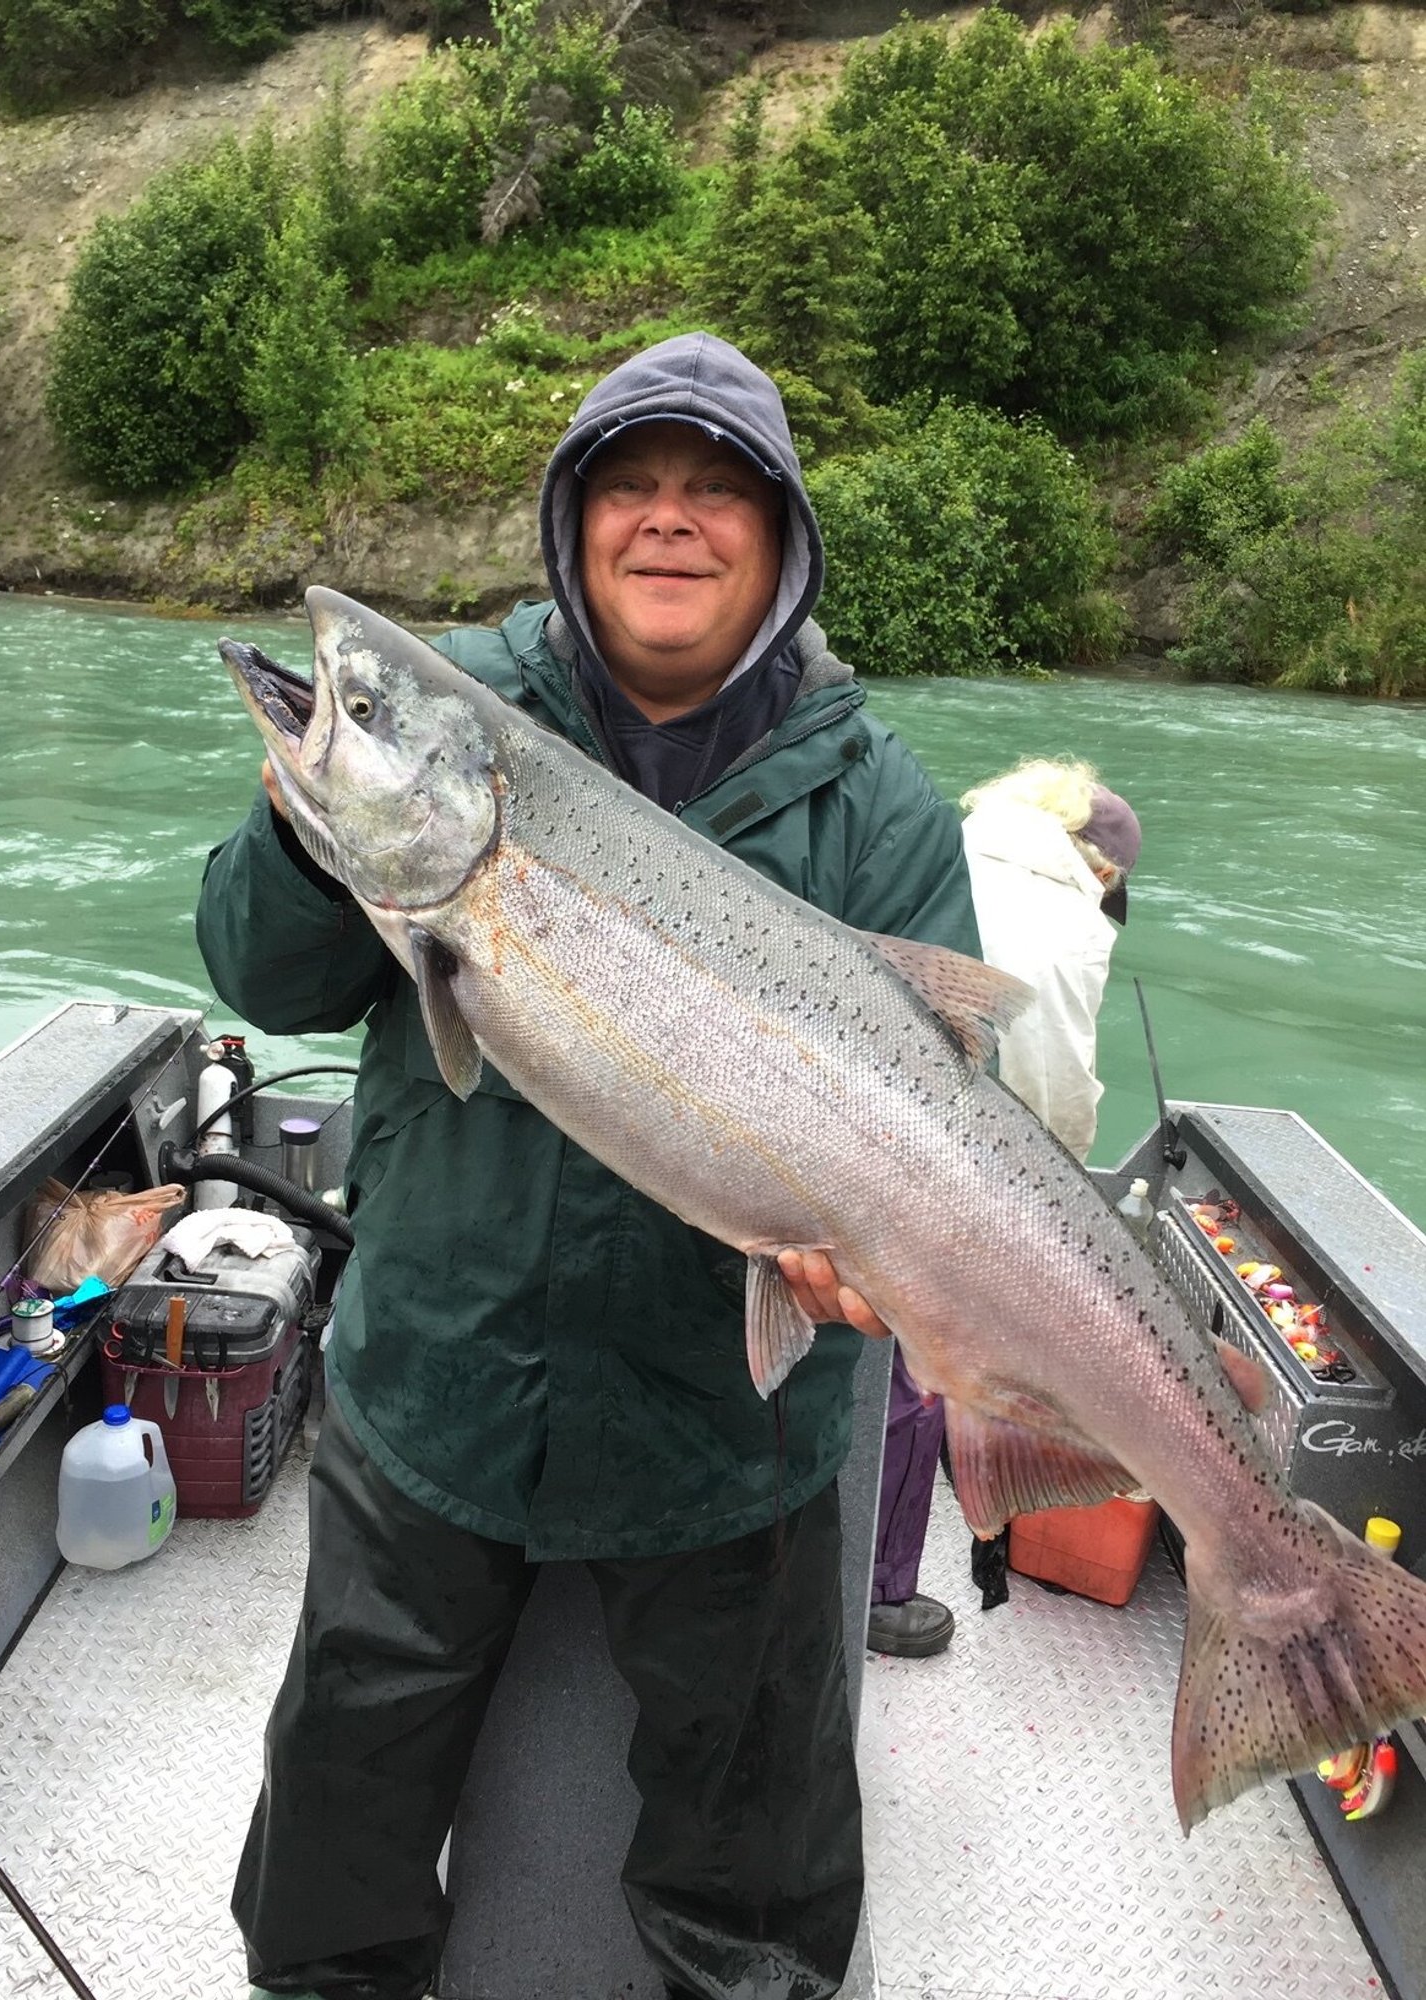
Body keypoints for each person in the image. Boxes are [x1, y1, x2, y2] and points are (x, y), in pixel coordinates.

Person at [196, 331, 980, 2000]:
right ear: (572, 523)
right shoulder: (452, 715)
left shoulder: (877, 804)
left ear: (780, 541)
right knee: (337, 1821)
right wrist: (308, 818)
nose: (668, 519)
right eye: (629, 485)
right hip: (439, 1379)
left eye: (715, 491)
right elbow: (261, 979)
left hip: (730, 1431)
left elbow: (952, 1102)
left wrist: (871, 1267)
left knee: (754, 1870)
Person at [865, 759, 1141, 1657]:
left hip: (859, 1127)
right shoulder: (1073, 922)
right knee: (918, 1374)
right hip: (957, 1176)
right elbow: (1057, 1092)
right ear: (1102, 869)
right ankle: (879, 1590)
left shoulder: (934, 842)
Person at [960, 757, 1141, 1163]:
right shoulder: (1078, 928)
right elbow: (1055, 1084)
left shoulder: (944, 848)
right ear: (1103, 875)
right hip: (972, 1142)